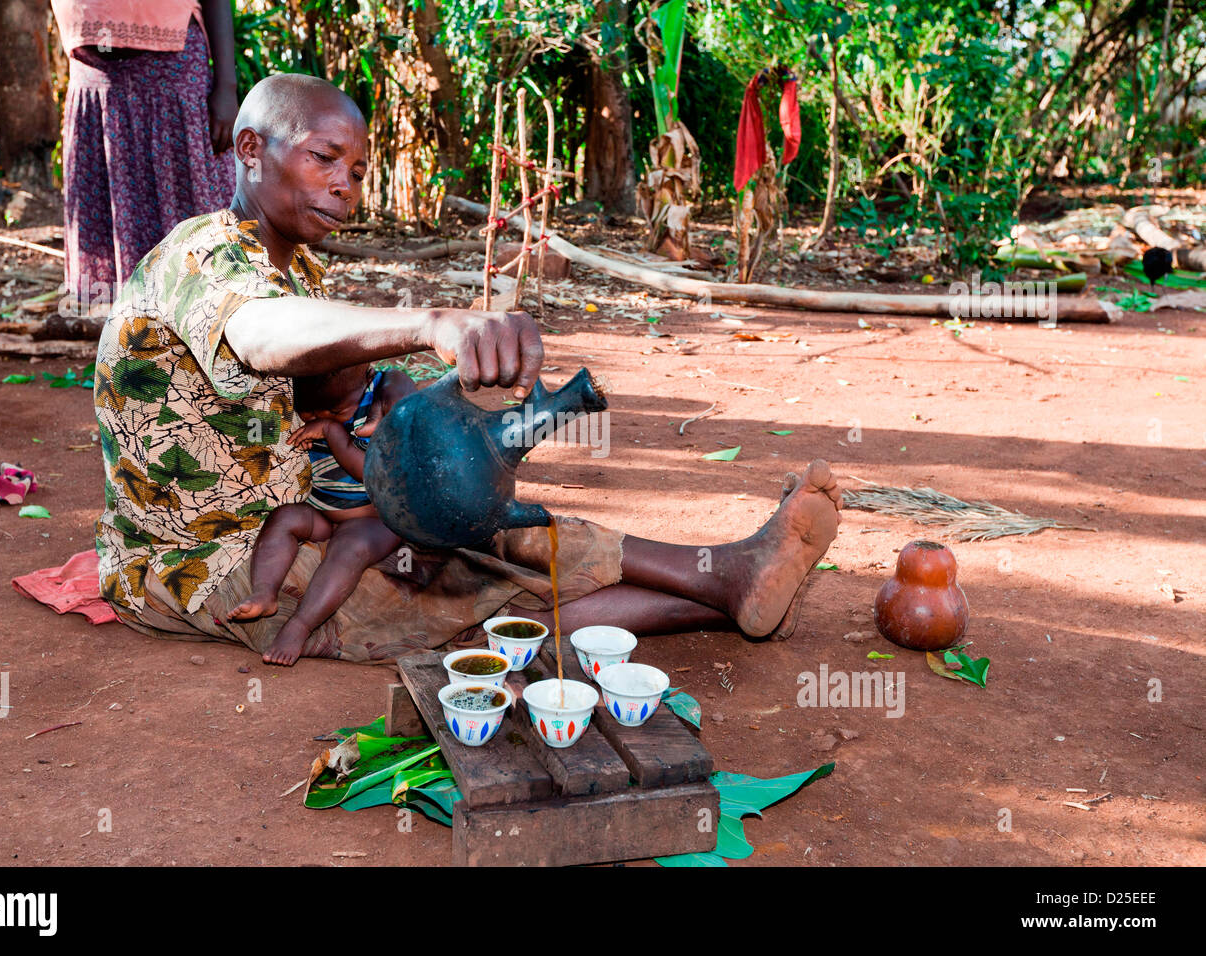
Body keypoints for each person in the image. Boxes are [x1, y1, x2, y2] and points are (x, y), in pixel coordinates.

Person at [93, 73, 843, 664]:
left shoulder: (299, 275)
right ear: (250, 149)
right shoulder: (203, 253)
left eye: (357, 168)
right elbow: (260, 335)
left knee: (478, 530)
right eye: (324, 158)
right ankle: (725, 593)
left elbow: (330, 378)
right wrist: (429, 323)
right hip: (208, 562)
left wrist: (408, 396)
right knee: (451, 601)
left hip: (301, 521)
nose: (345, 184)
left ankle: (732, 576)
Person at [52, 0, 238, 314]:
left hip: (173, 68)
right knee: (119, 209)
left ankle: (213, 329)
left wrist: (227, 86)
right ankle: (134, 338)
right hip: (94, 73)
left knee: (191, 208)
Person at [227, 364, 416, 665]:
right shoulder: (324, 399)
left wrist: (332, 432)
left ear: (367, 379)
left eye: (333, 410)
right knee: (284, 517)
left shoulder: (379, 403)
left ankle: (300, 625)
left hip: (374, 518)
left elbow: (370, 473)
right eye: (310, 412)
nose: (318, 418)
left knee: (351, 549)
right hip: (323, 512)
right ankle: (264, 594)